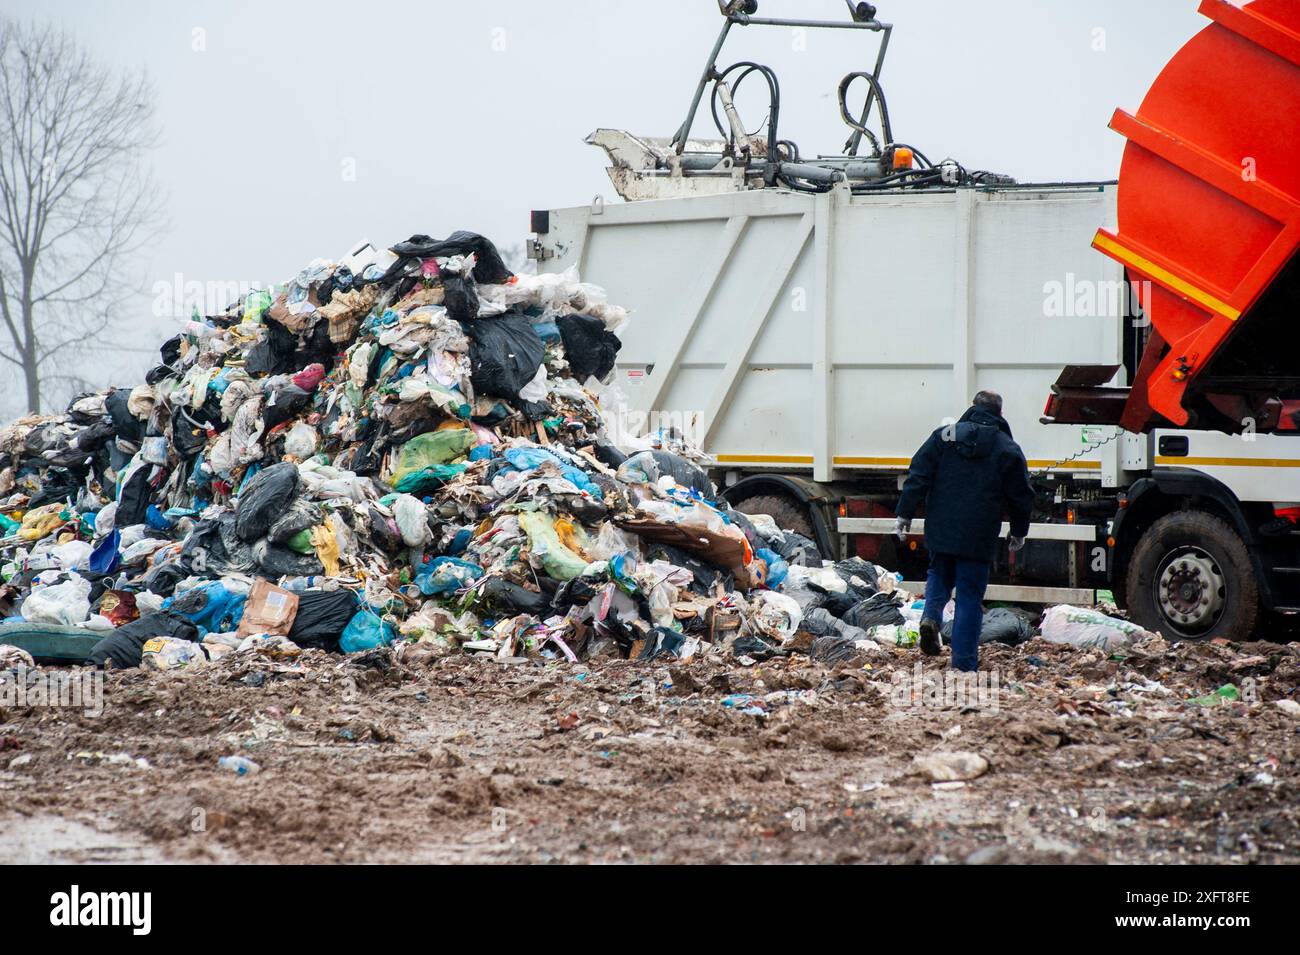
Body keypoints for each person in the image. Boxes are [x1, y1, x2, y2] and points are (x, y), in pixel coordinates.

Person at [894, 391, 1035, 672]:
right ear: (999, 413)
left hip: (942, 528)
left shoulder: (944, 436)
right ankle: (964, 663)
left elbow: (919, 473)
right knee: (970, 596)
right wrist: (1019, 530)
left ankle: (931, 616)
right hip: (978, 535)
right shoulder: (1006, 447)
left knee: (939, 573)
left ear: (973, 408)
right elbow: (1022, 495)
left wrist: (904, 512)